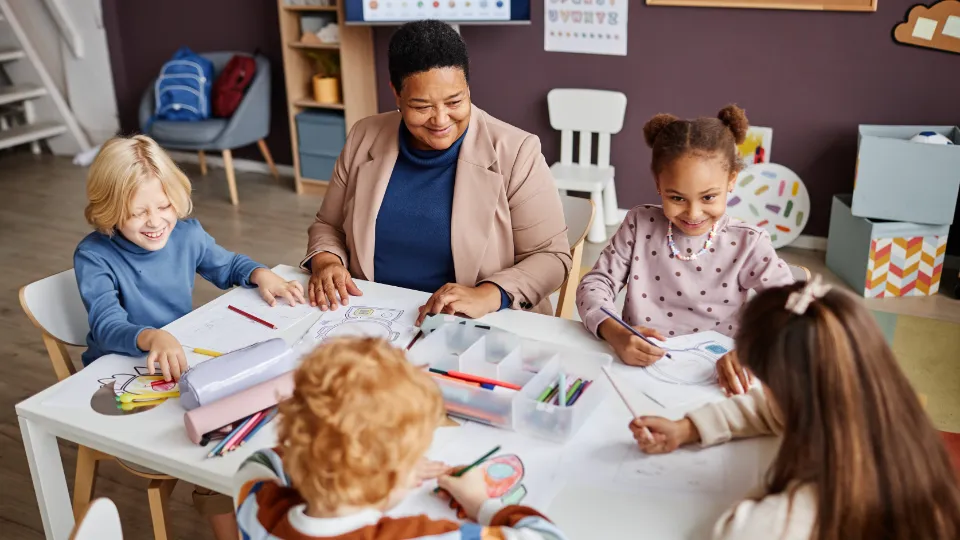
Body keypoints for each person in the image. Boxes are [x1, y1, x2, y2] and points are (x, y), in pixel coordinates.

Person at [628, 279, 960, 540]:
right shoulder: (877, 406)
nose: (764, 393)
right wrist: (689, 428)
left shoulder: (807, 507)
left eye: (765, 383)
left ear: (794, 397)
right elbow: (766, 410)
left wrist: (770, 485)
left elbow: (734, 532)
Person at [303, 20, 570, 325]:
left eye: (455, 101)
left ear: (468, 88)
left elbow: (551, 257)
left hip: (476, 325)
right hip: (374, 315)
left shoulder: (516, 151)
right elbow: (328, 225)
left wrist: (487, 294)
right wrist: (327, 261)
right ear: (396, 94)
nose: (441, 120)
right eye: (422, 107)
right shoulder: (364, 136)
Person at [234, 337, 570, 539]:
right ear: (394, 476)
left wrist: (357, 456)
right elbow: (548, 536)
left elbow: (261, 461)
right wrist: (483, 505)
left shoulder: (258, 507)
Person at [575, 105, 793, 395]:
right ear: (658, 184)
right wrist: (614, 331)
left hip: (717, 380)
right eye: (677, 198)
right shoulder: (639, 224)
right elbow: (595, 283)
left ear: (731, 180)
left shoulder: (748, 243)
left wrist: (750, 350)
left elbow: (792, 308)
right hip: (636, 371)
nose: (693, 213)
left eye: (708, 197)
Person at [75, 135, 304, 381]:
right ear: (110, 210)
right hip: (116, 368)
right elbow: (107, 328)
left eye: (164, 206)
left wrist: (261, 274)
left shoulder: (187, 236)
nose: (155, 222)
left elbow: (229, 265)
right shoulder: (93, 256)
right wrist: (152, 337)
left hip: (175, 351)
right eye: (137, 213)